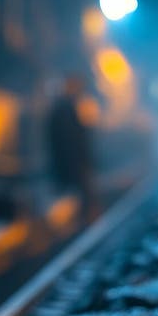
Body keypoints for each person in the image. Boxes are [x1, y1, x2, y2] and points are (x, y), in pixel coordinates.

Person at [47, 75, 97, 220]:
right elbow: (72, 139)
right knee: (77, 198)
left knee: (75, 197)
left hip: (69, 161)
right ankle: (80, 223)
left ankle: (80, 222)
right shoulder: (66, 108)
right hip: (72, 161)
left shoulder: (65, 107)